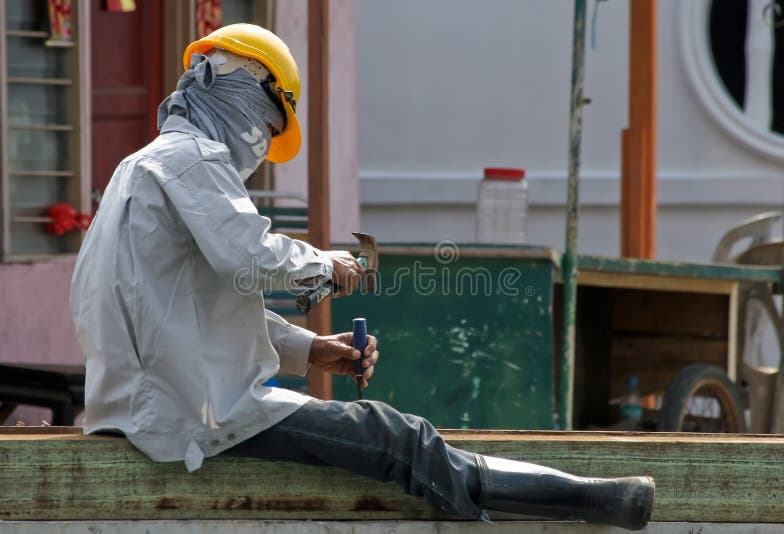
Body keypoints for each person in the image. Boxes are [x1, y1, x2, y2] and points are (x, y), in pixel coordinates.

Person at [69, 23, 654, 530]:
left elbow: (189, 302)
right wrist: (325, 263)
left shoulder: (140, 170)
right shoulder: (194, 161)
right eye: (270, 126)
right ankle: (590, 500)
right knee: (398, 438)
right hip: (187, 416)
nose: (264, 144)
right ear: (247, 87)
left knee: (393, 436)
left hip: (150, 407)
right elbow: (248, 259)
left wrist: (309, 349)